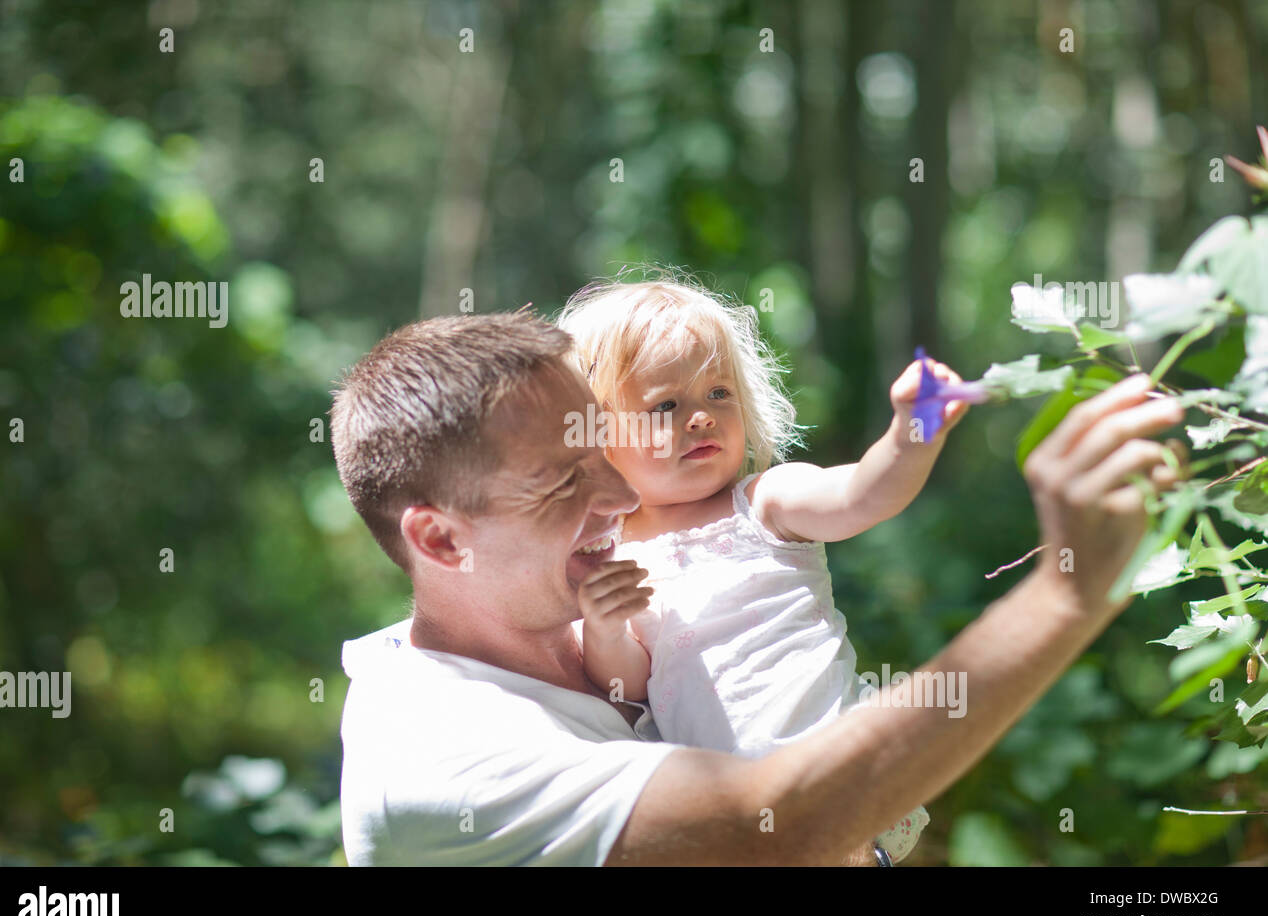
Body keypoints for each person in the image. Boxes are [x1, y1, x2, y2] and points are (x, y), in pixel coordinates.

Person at [331, 309, 1184, 866]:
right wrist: (1069, 594)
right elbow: (776, 830)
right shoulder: (437, 756)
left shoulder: (579, 608)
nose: (625, 501)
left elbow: (861, 492)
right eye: (564, 484)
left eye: (605, 463)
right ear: (440, 538)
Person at [556, 279, 968, 863]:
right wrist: (602, 630)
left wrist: (912, 433)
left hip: (838, 789)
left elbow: (861, 494)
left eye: (719, 393)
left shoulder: (764, 503)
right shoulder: (611, 553)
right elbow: (630, 683)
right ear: (598, 437)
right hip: (735, 825)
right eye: (665, 405)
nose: (700, 417)